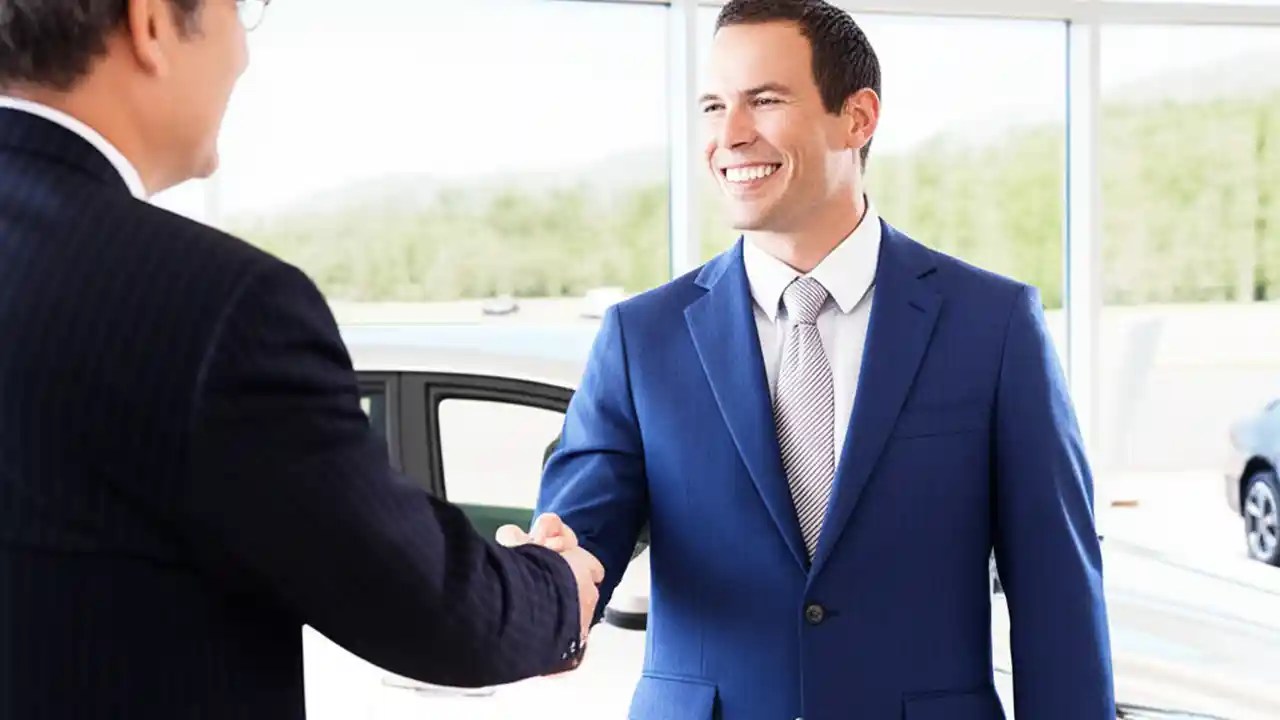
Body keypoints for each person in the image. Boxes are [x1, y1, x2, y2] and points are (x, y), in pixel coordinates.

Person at [506, 1, 1115, 718]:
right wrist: (553, 582)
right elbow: (581, 538)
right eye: (713, 106)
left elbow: (1058, 596)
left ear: (857, 118)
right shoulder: (641, 337)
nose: (729, 135)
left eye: (764, 101)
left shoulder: (992, 325)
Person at [0, 1, 602, 718]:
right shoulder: (217, 307)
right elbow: (425, 602)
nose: (242, 56)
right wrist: (560, 587)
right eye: (237, 10)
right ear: (152, 22)